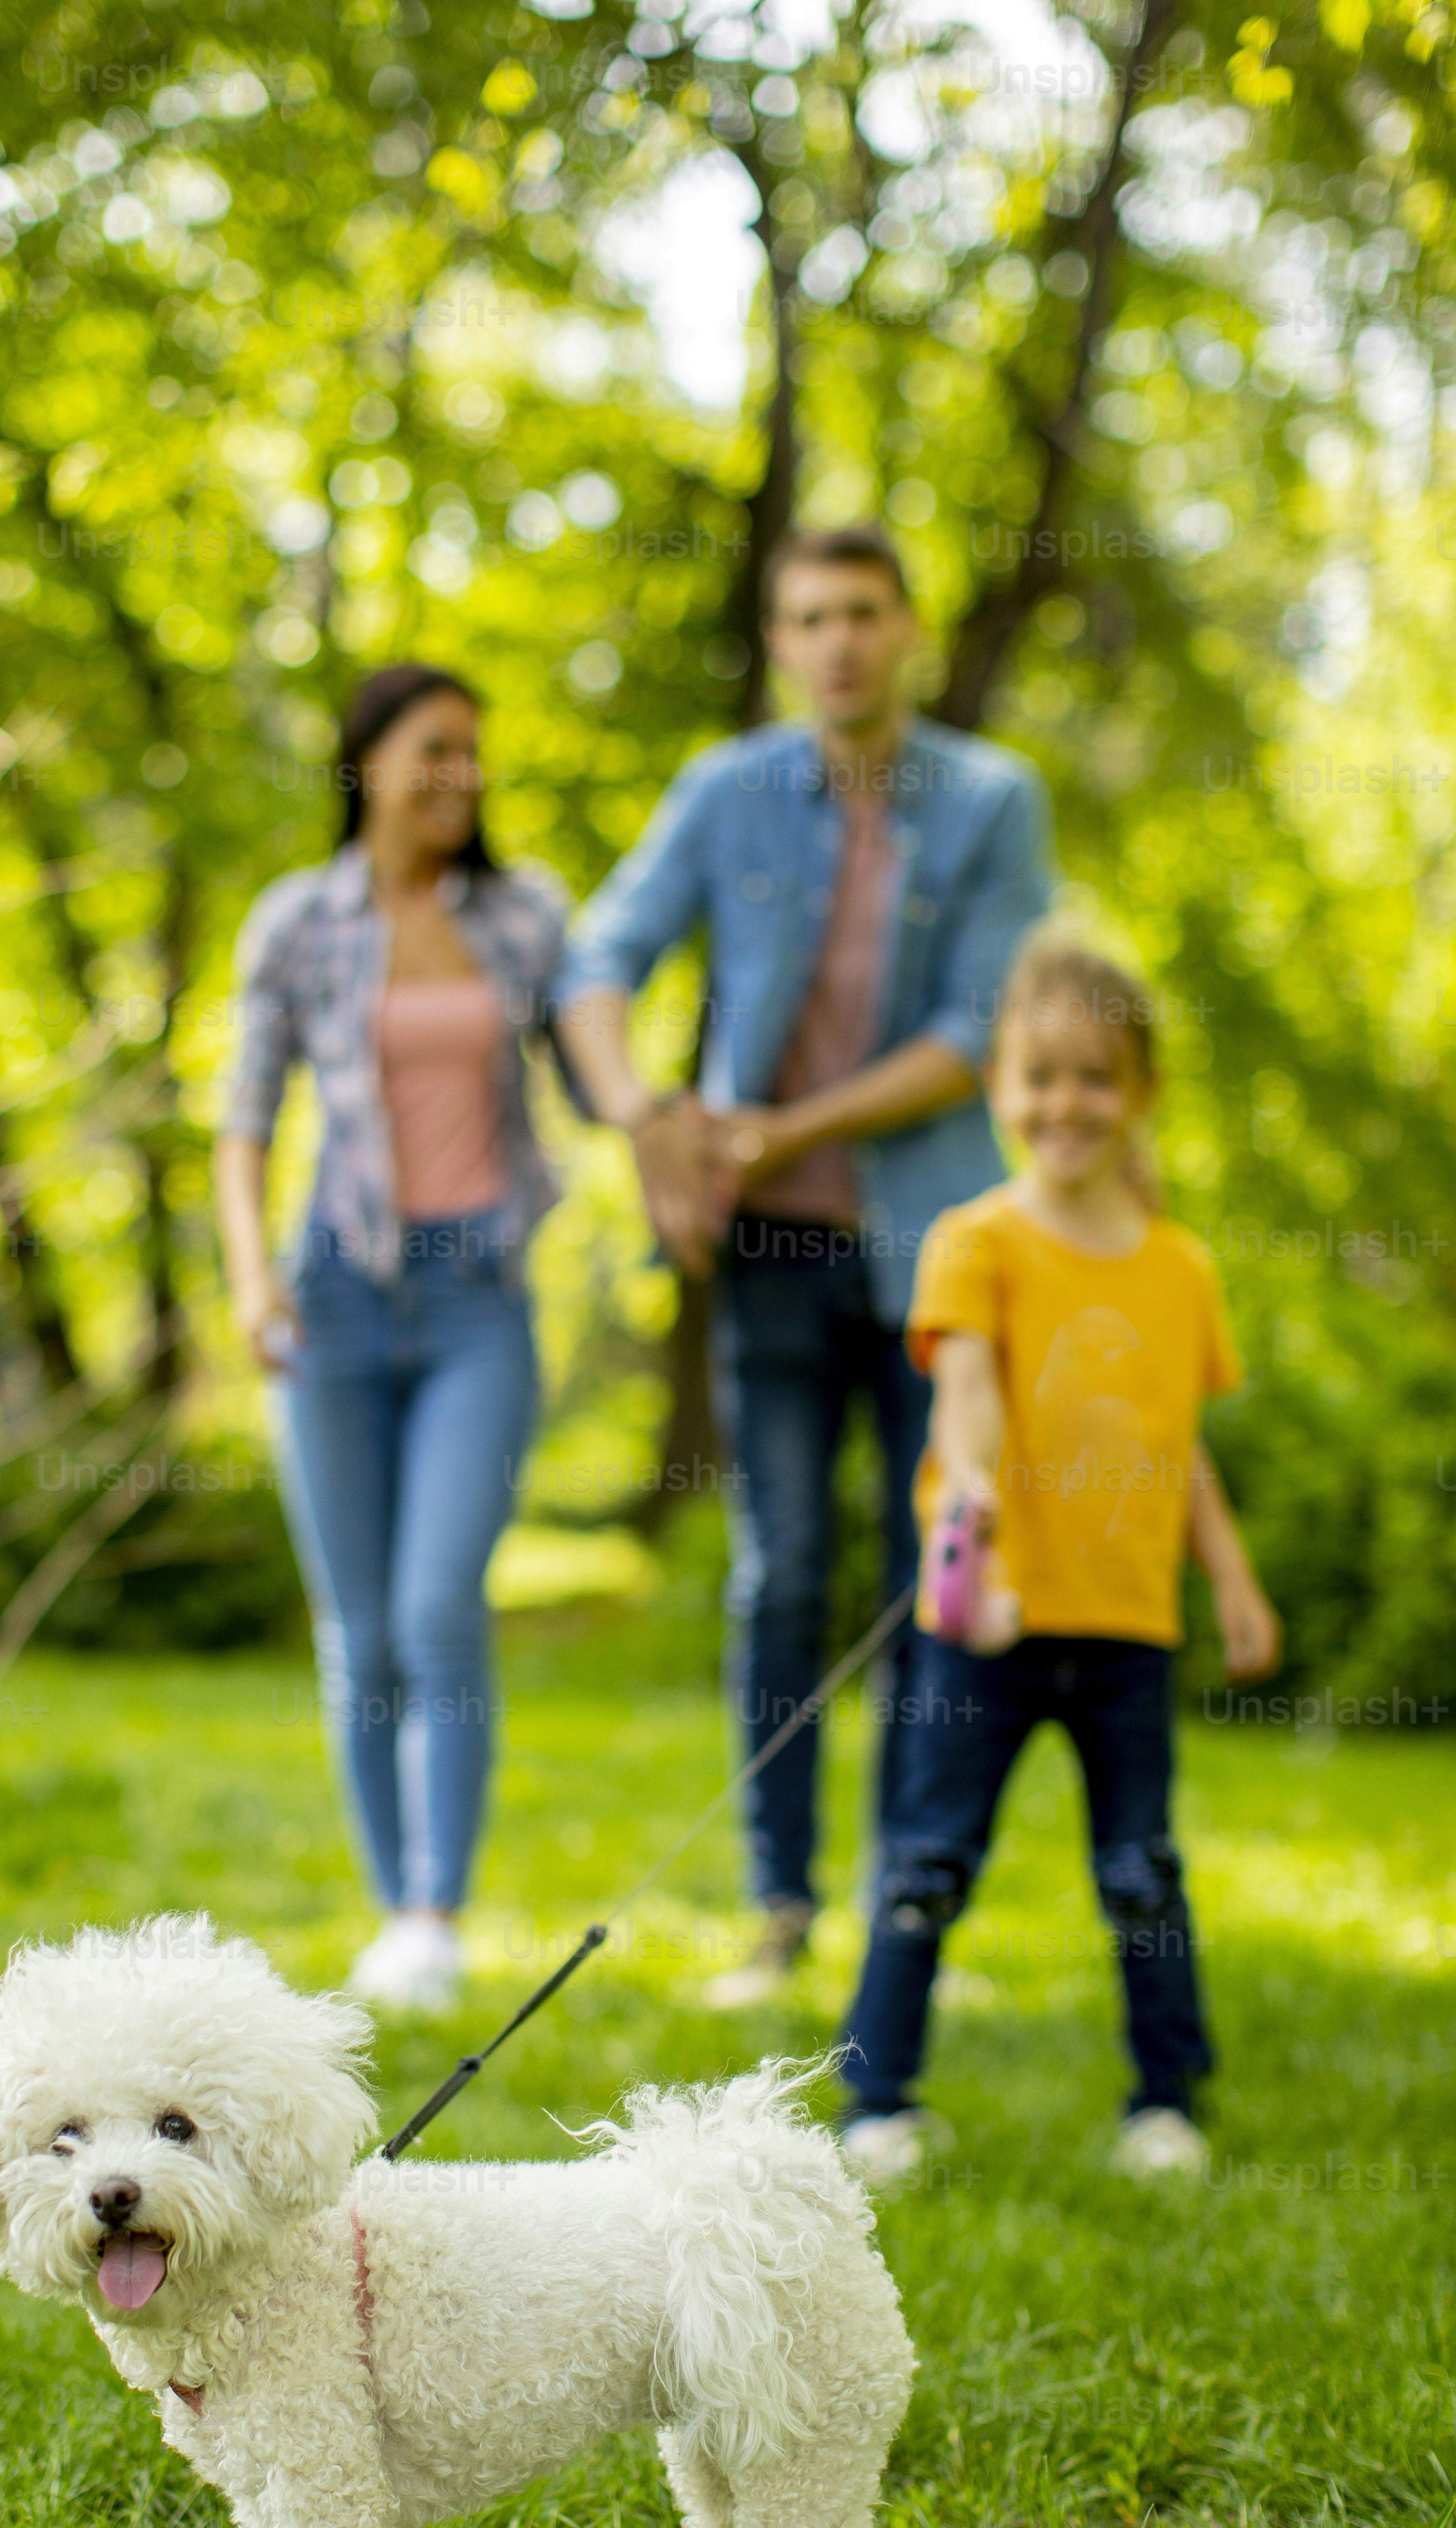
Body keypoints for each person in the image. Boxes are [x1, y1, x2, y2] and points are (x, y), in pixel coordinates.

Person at [555, 527, 1053, 2008]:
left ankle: (911, 1918)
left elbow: (978, 1034)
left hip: (937, 1253)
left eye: (862, 614)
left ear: (908, 629)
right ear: (781, 642)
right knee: (780, 1577)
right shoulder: (727, 791)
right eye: (810, 617)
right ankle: (779, 1910)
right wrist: (647, 1115)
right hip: (769, 1252)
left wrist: (785, 1129)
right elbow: (596, 959)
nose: (838, 641)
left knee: (931, 1577)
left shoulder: (992, 800)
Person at [216, 664, 661, 2013]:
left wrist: (670, 1128)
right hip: (333, 1295)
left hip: (478, 1298)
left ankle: (433, 1914)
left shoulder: (522, 915)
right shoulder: (298, 923)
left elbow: (593, 1070)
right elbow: (242, 1122)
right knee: (360, 1633)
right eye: (434, 750)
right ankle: (393, 1911)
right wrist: (251, 1280)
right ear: (366, 763)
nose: (459, 776)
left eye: (473, 752)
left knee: (436, 1606)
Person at [836, 935, 1283, 2187]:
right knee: (928, 1862)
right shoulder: (975, 1241)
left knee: (1143, 1873)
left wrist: (1233, 1578)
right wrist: (974, 1503)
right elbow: (968, 1393)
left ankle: (1167, 2101)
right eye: (1040, 1075)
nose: (1066, 1103)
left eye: (1096, 1077)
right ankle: (878, 2100)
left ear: (1140, 1092)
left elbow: (1177, 1447)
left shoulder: (1179, 1268)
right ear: (999, 1085)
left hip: (1129, 1629)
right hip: (988, 1621)